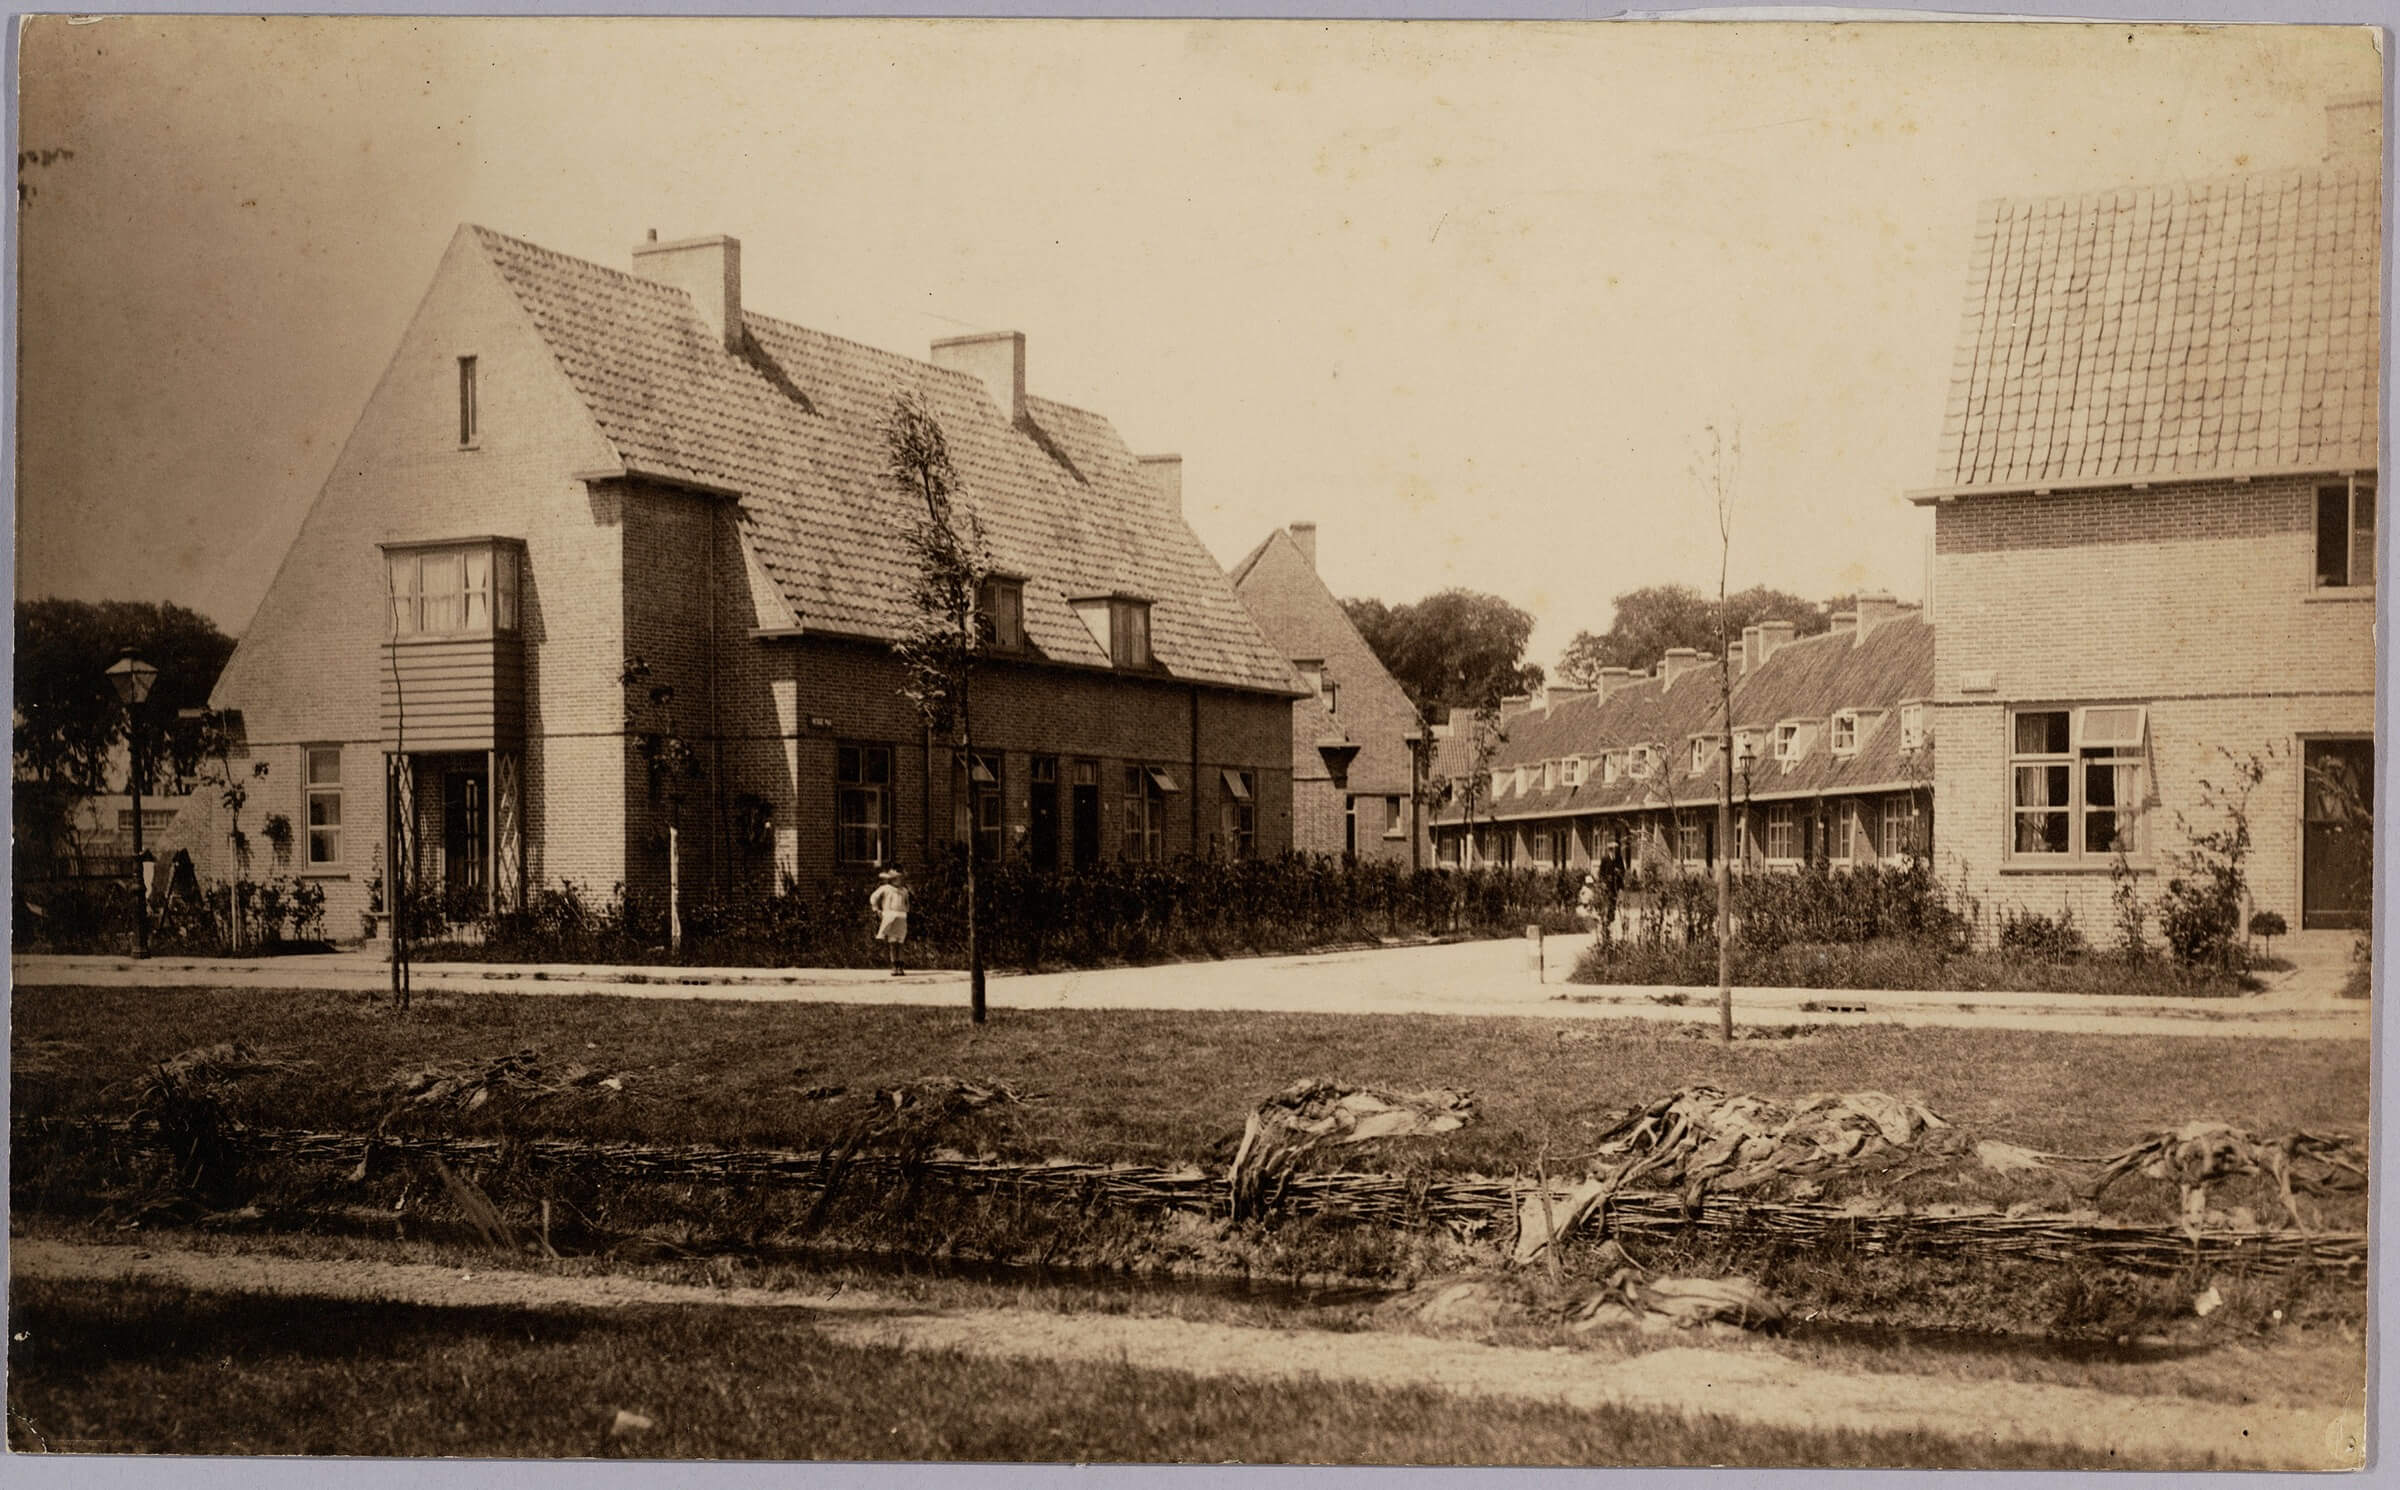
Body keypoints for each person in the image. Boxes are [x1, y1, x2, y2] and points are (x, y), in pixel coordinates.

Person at [869, 866, 910, 976]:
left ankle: (901, 967)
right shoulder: (885, 888)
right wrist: (877, 909)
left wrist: (906, 911)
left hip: (901, 917)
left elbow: (907, 904)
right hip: (890, 917)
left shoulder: (904, 890)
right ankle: (894, 966)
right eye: (897, 878)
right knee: (892, 943)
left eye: (901, 878)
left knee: (900, 943)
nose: (899, 880)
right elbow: (873, 897)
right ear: (891, 879)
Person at [1593, 838, 1626, 946]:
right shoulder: (1605, 859)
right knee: (1607, 899)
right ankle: (1606, 917)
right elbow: (1601, 872)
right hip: (1607, 884)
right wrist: (1603, 881)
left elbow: (1623, 871)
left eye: (1615, 849)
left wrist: (1619, 872)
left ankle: (1611, 916)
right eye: (1611, 849)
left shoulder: (1619, 859)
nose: (1613, 851)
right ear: (1608, 849)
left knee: (1614, 899)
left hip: (1615, 884)